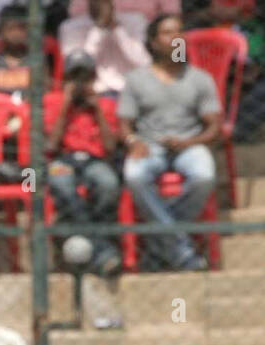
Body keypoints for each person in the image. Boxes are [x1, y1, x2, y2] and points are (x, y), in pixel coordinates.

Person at [118, 13, 222, 272]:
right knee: (134, 176)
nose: (176, 38)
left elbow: (215, 126)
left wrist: (191, 141)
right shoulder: (136, 79)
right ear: (153, 42)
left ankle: (160, 243)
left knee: (204, 176)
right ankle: (180, 249)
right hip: (149, 145)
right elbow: (124, 124)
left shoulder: (200, 79)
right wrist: (133, 142)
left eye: (179, 32)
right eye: (167, 33)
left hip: (189, 143)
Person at [47, 51, 122, 276]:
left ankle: (72, 230)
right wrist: (66, 106)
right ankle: (103, 251)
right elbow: (50, 146)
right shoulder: (52, 102)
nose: (80, 84)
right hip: (62, 160)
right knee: (61, 183)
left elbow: (110, 147)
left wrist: (96, 109)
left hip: (94, 160)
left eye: (85, 78)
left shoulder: (106, 104)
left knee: (108, 183)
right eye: (74, 78)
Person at [58, 0, 150, 98]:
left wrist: (117, 29)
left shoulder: (135, 21)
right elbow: (80, 67)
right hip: (94, 93)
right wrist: (99, 28)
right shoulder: (71, 27)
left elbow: (143, 61)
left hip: (130, 90)